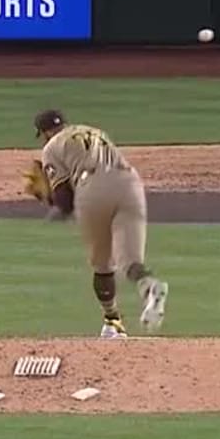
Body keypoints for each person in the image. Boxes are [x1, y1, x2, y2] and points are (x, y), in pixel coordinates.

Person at [22, 109, 170, 338]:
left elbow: (65, 203)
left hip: (93, 189)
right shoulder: (95, 132)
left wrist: (48, 198)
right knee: (129, 259)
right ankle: (148, 285)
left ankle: (113, 322)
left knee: (102, 264)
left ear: (45, 132)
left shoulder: (51, 148)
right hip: (130, 185)